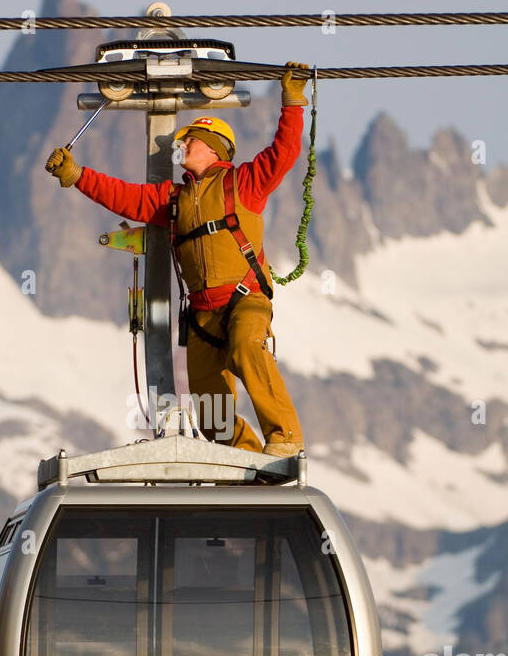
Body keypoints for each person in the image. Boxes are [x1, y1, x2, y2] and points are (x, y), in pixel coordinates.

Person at [45, 62, 310, 456]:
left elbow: (283, 153)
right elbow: (125, 197)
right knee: (211, 414)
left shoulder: (244, 183)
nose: (182, 147)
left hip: (245, 303)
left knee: (246, 346)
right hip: (202, 319)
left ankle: (285, 438)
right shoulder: (171, 200)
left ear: (212, 147)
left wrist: (291, 101)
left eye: (191, 141)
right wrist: (77, 174)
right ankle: (249, 461)